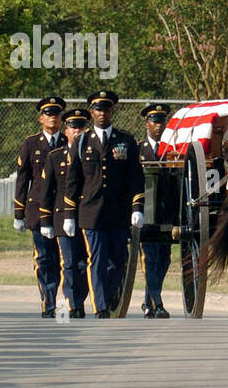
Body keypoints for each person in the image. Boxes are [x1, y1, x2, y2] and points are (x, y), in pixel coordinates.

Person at [63, 90, 144, 318]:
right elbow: (73, 180)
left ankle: (106, 297)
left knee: (117, 261)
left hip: (118, 212)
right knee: (96, 259)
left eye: (106, 109)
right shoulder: (82, 142)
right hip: (91, 212)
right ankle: (100, 307)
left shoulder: (126, 141)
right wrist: (69, 213)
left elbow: (135, 178)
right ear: (92, 112)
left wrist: (137, 207)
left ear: (112, 112)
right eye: (98, 109)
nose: (102, 114)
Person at [14, 96, 66, 317]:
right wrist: (19, 213)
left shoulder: (68, 141)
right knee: (44, 258)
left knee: (62, 258)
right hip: (37, 209)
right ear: (40, 118)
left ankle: (64, 299)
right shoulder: (31, 143)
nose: (52, 118)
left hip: (62, 209)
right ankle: (48, 299)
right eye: (48, 114)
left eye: (56, 114)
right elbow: (22, 179)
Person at [39, 107, 91, 318]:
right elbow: (46, 191)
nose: (76, 131)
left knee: (82, 263)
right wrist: (46, 220)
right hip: (62, 217)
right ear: (66, 131)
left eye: (81, 127)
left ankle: (80, 301)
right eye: (72, 127)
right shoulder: (55, 156)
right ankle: (69, 304)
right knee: (67, 263)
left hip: (86, 215)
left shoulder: (91, 153)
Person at [137, 103, 172, 318]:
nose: (158, 126)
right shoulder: (138, 150)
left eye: (161, 121)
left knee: (164, 259)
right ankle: (156, 302)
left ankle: (148, 298)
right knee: (149, 257)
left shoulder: (172, 150)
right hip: (145, 212)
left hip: (167, 211)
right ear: (146, 124)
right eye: (154, 121)